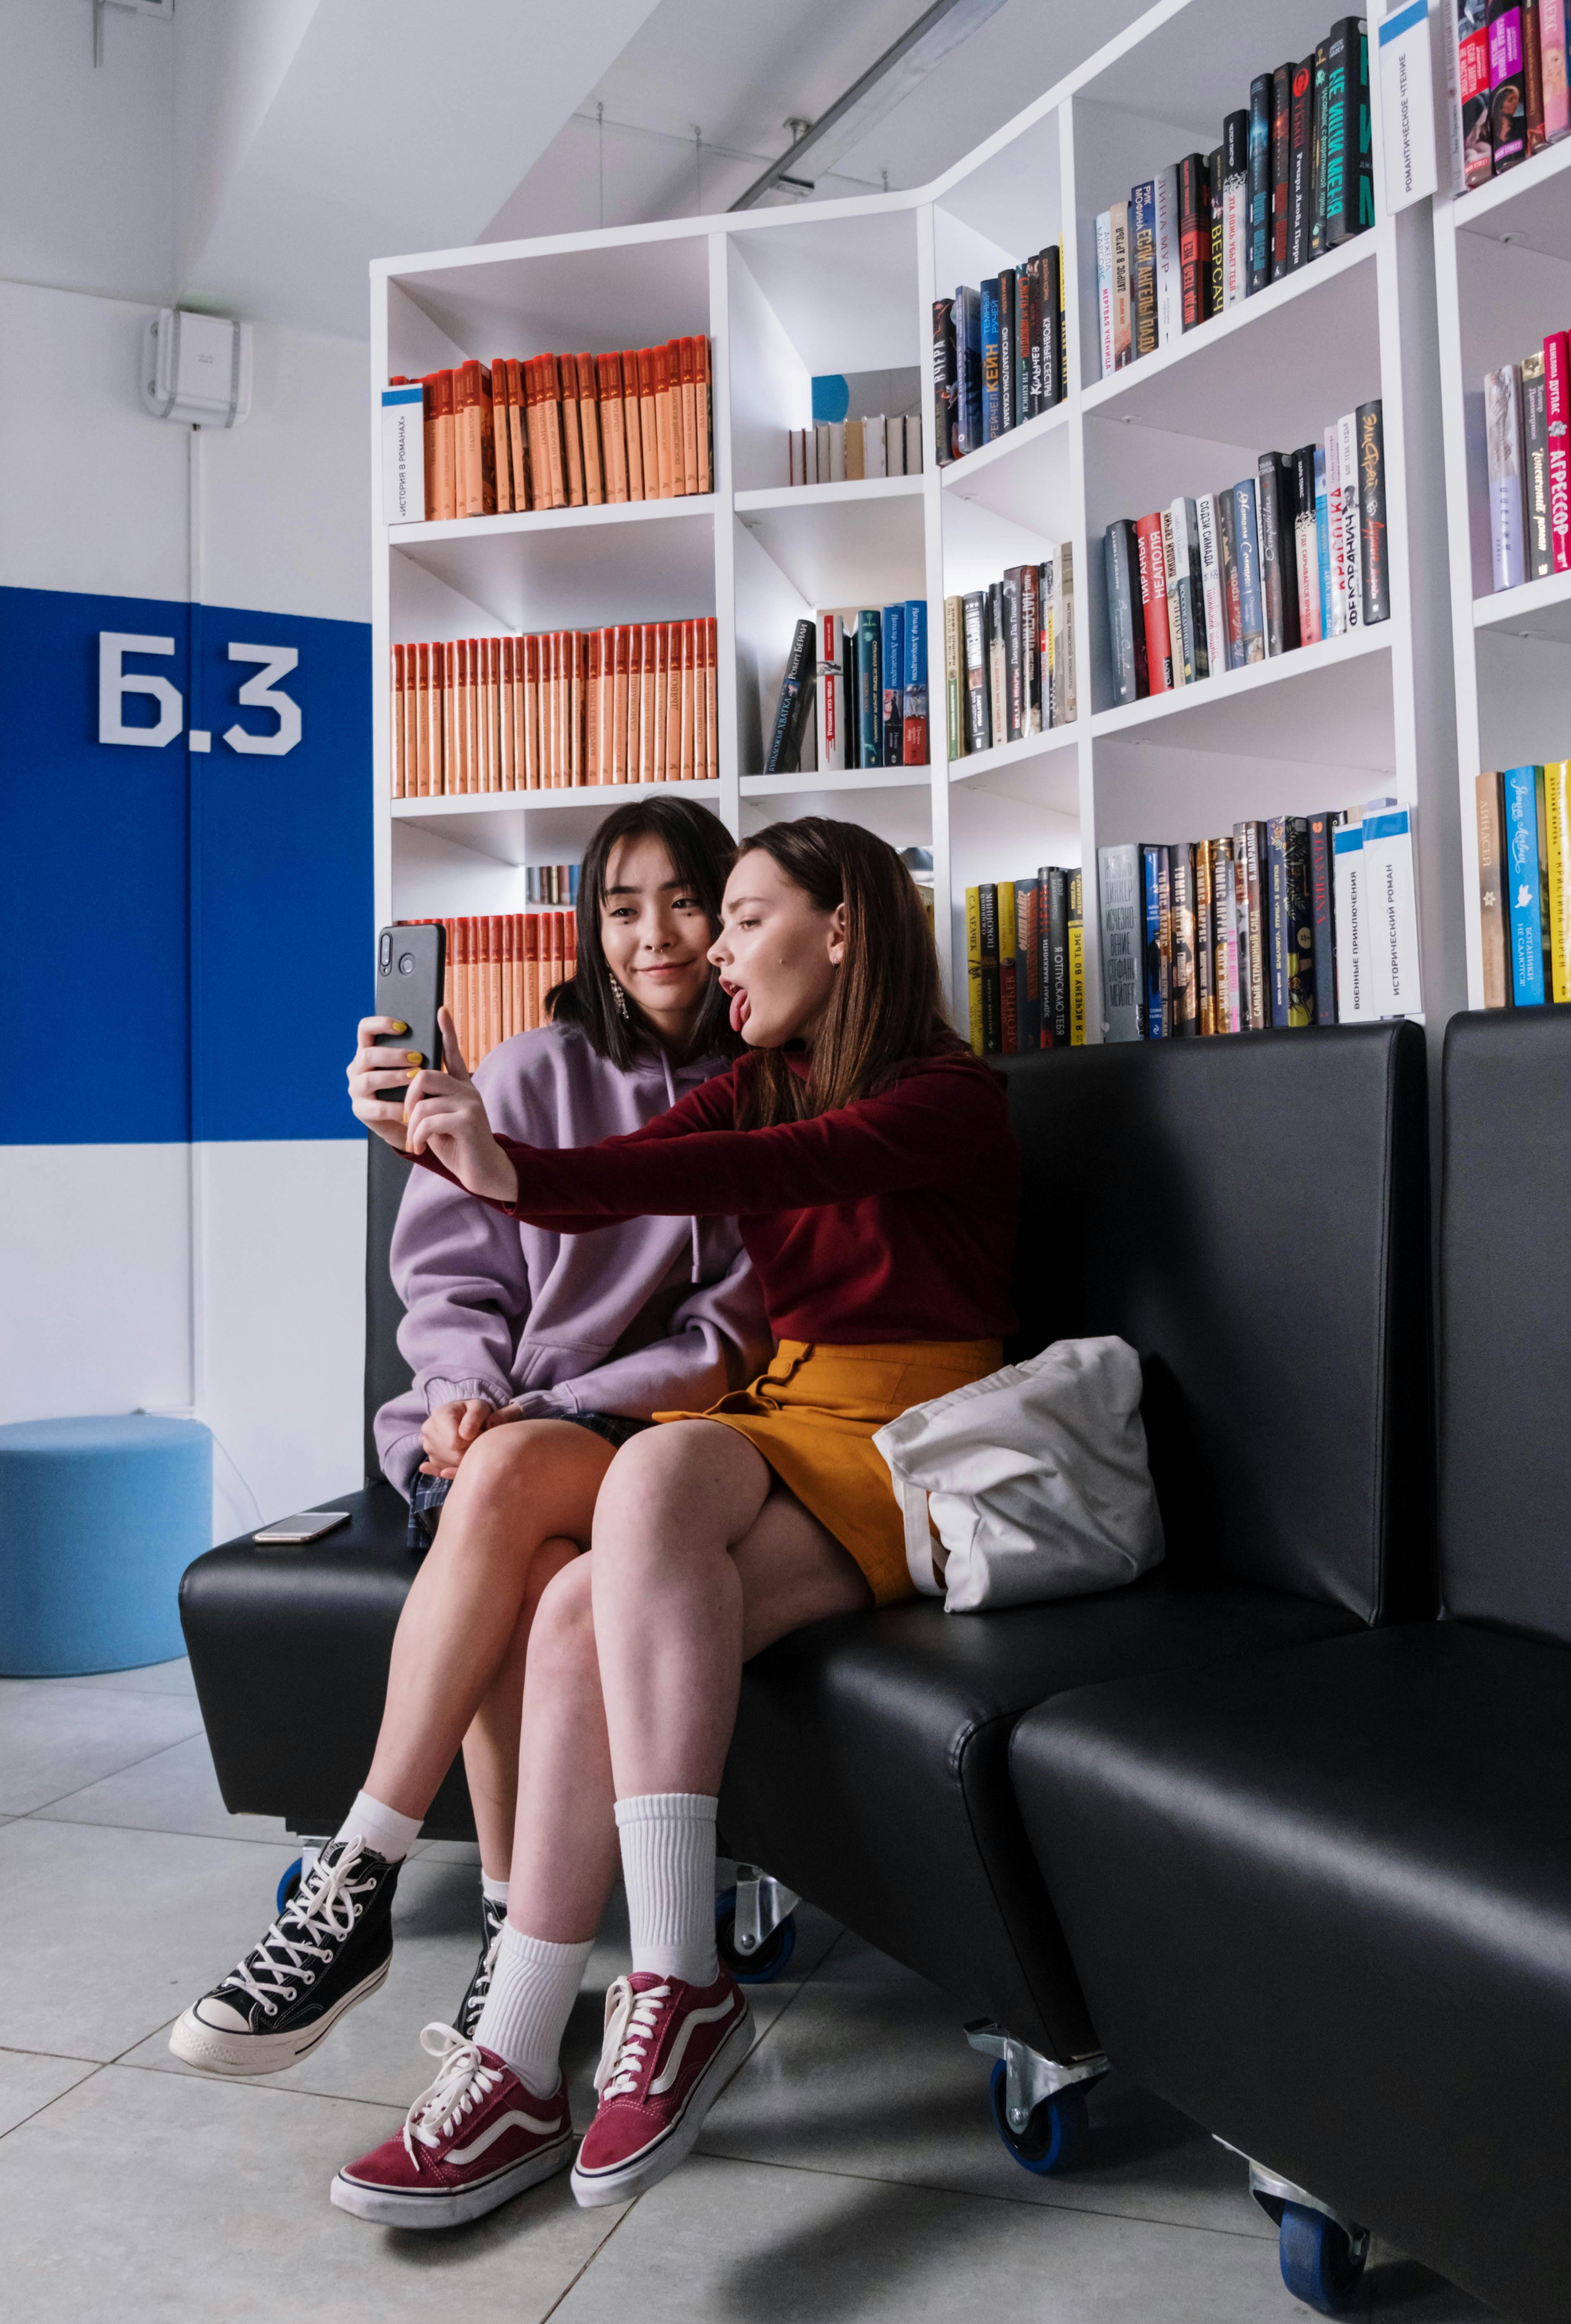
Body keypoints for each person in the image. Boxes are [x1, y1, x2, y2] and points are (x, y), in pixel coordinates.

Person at [329, 816, 1021, 2228]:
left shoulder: (944, 1094)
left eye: (742, 916)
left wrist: (509, 1162)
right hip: (787, 1404)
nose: (706, 948)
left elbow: (755, 1175)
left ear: (844, 933)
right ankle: (519, 2056)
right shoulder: (756, 1080)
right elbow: (605, 1173)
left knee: (631, 1499)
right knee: (574, 1600)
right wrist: (451, 1136)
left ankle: (674, 1975)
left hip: (910, 1435)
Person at [170, 798, 768, 2080]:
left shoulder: (770, 1082)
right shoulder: (531, 1069)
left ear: (733, 912)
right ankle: (507, 1939)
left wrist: (562, 1401)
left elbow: (736, 1326)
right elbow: (451, 1285)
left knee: (516, 1482)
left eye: (684, 900)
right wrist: (458, 1386)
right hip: (493, 1423)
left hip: (657, 1428)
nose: (654, 934)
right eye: (621, 908)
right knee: (540, 1563)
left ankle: (359, 1874)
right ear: (588, 928)